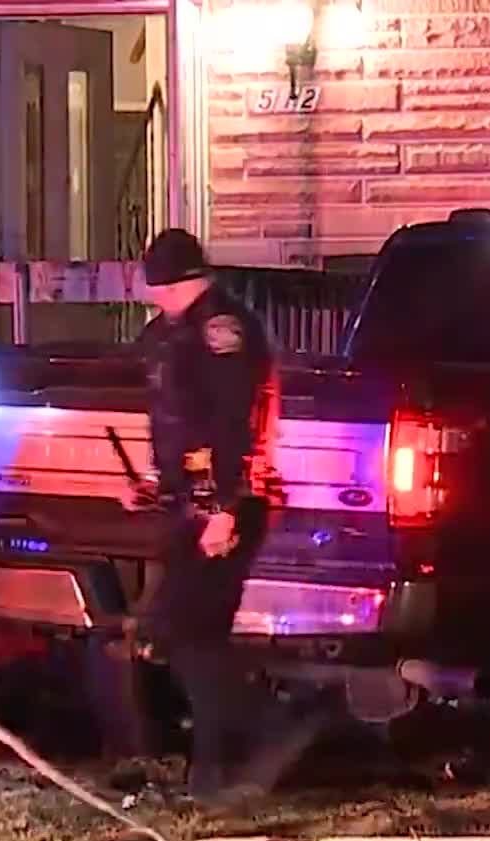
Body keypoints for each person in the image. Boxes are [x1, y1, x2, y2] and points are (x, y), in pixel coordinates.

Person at [119, 228, 320, 804]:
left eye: (158, 288)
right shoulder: (168, 335)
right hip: (187, 507)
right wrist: (155, 483)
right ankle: (222, 759)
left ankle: (240, 752)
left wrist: (227, 509)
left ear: (181, 283)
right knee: (177, 633)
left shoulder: (225, 332)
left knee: (191, 635)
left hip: (225, 508)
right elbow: (172, 420)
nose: (151, 300)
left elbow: (238, 422)